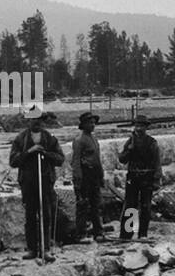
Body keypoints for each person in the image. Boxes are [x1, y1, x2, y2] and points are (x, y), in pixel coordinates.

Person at [8, 107, 65, 260]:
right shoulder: (21, 138)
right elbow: (13, 161)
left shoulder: (50, 138)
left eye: (39, 120)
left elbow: (60, 159)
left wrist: (46, 154)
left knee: (46, 214)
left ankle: (45, 248)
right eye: (33, 119)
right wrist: (29, 152)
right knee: (30, 216)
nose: (36, 123)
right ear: (29, 120)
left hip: (46, 182)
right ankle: (32, 249)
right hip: (28, 183)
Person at [118, 114, 162, 240]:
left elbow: (157, 162)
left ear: (146, 127)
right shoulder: (130, 141)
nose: (139, 128)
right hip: (133, 176)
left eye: (141, 126)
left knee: (145, 206)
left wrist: (156, 179)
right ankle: (126, 234)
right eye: (137, 125)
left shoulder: (152, 142)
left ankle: (143, 234)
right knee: (130, 206)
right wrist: (128, 151)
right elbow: (122, 159)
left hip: (147, 177)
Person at [70, 111, 106, 242]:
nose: (92, 125)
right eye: (89, 123)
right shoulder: (79, 140)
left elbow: (97, 160)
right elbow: (76, 162)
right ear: (83, 125)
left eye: (93, 122)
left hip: (94, 176)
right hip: (85, 176)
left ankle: (98, 232)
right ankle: (81, 234)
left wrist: (101, 176)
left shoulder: (94, 139)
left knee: (96, 205)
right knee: (83, 205)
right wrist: (78, 180)